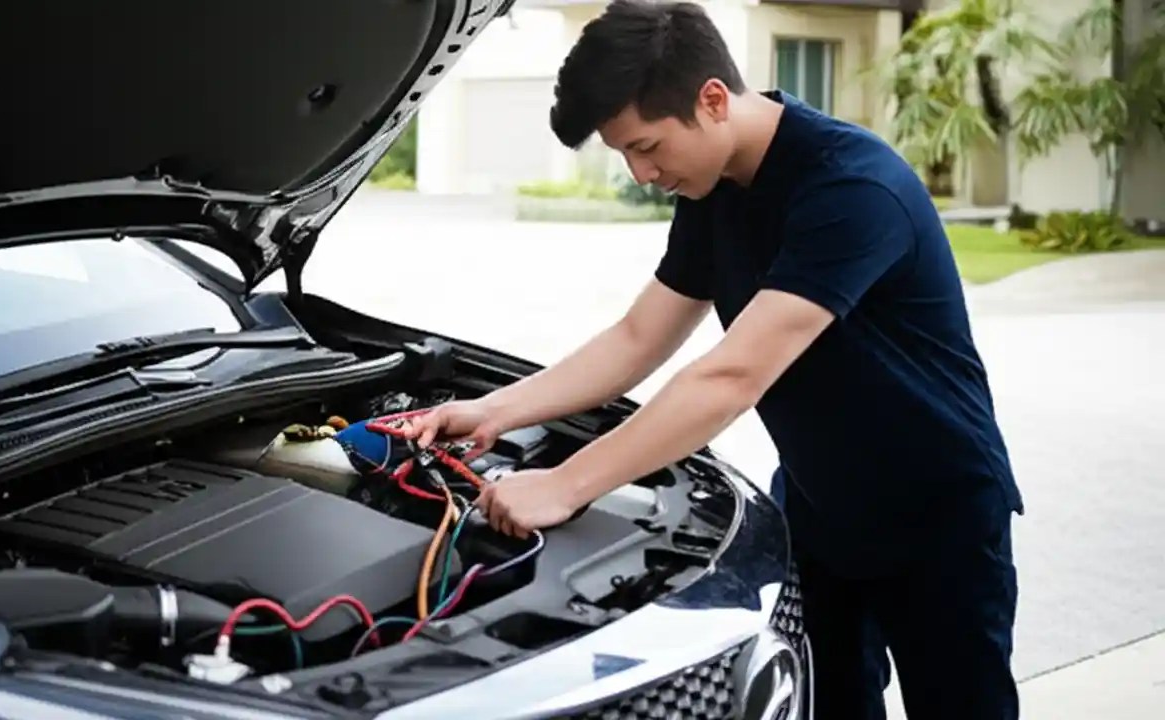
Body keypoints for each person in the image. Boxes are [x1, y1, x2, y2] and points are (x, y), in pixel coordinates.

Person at [404, 1, 1024, 718]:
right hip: (820, 507)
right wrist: (491, 408)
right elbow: (637, 338)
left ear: (712, 99)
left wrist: (565, 485)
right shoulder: (714, 187)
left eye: (647, 146)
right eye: (625, 154)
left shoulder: (853, 187)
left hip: (934, 514)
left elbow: (731, 376)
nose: (640, 172)